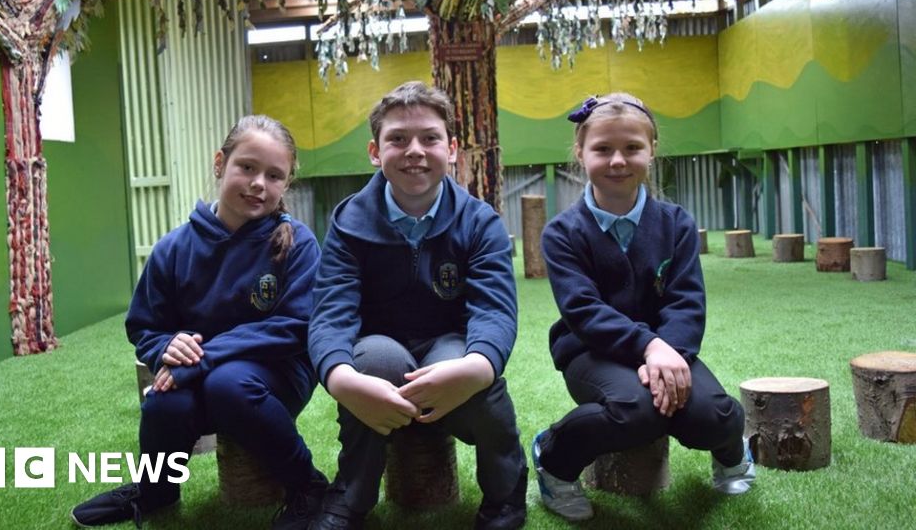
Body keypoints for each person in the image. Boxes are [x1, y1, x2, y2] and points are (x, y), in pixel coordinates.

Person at [70, 115, 327, 530]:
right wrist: (164, 348)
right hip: (199, 378)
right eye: (247, 167)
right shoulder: (173, 248)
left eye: (274, 175)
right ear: (220, 163)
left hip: (275, 378)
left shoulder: (297, 244)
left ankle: (309, 486)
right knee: (163, 401)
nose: (259, 182)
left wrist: (203, 357)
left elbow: (298, 325)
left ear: (286, 184)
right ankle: (155, 492)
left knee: (229, 383)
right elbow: (144, 327)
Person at [307, 81, 527, 530]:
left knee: (476, 372)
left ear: (452, 150)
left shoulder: (480, 222)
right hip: (379, 350)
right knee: (372, 360)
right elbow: (331, 312)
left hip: (449, 346)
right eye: (397, 139)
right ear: (375, 151)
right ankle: (349, 498)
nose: (414, 151)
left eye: (429, 138)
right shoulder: (348, 224)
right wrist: (339, 377)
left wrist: (478, 365)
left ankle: (505, 496)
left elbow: (495, 310)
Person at [530, 93, 756, 521]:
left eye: (632, 147)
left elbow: (686, 301)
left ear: (652, 149)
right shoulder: (562, 233)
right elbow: (583, 310)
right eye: (602, 149)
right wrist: (647, 348)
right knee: (638, 410)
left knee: (712, 414)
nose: (618, 160)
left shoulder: (676, 223)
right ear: (580, 152)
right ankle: (553, 458)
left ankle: (733, 453)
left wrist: (665, 352)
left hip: (670, 349)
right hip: (590, 351)